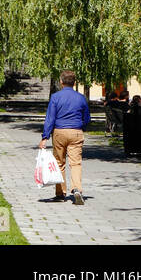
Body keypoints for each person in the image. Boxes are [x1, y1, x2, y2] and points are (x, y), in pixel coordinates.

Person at [40, 69, 91, 205]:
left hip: (59, 132)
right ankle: (77, 189)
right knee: (75, 163)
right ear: (74, 83)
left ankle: (60, 193)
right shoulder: (81, 98)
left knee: (59, 163)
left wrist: (45, 137)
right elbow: (86, 117)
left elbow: (50, 118)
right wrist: (82, 127)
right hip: (76, 131)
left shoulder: (56, 97)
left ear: (61, 82)